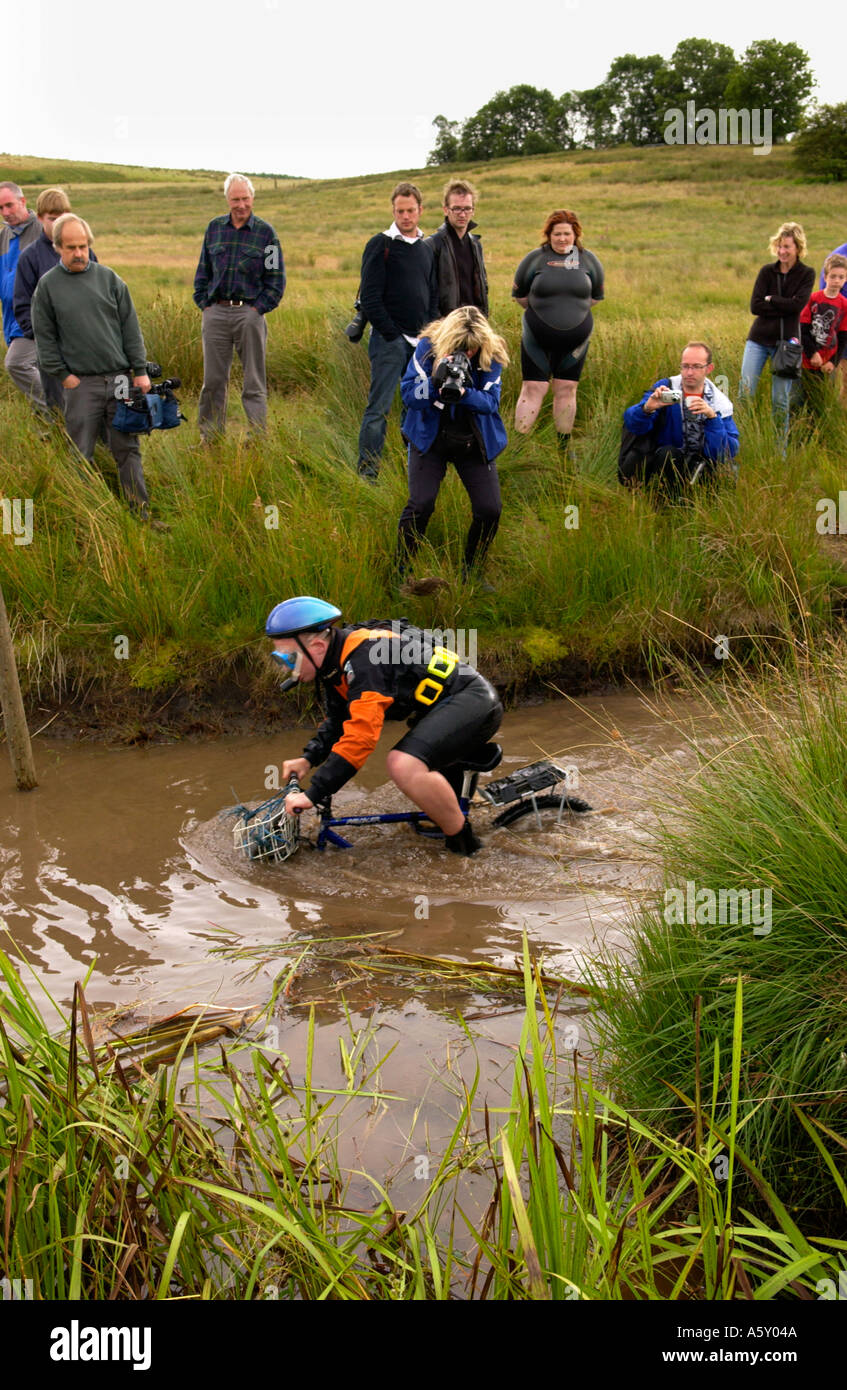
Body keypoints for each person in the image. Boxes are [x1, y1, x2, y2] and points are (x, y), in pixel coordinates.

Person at [266, 596, 503, 856]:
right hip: (440, 708)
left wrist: (313, 794)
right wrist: (308, 759)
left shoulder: (364, 662)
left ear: (319, 645)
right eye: (278, 659)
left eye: (287, 659)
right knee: (425, 804)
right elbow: (339, 720)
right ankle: (453, 814)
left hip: (473, 702)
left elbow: (360, 739)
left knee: (402, 763)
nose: (284, 668)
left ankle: (466, 846)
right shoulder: (336, 661)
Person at [31, 214, 158, 521]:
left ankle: (141, 515)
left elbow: (131, 328)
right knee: (80, 453)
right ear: (58, 247)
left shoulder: (110, 279)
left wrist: (139, 371)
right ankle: (85, 519)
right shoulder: (47, 287)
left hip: (119, 380)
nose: (79, 254)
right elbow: (44, 339)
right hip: (80, 384)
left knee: (127, 449)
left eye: (84, 246)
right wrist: (65, 377)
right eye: (71, 247)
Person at [396, 306, 508, 590]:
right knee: (420, 505)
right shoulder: (426, 348)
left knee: (490, 509)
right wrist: (436, 383)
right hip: (429, 438)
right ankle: (400, 572)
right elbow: (409, 394)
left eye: (471, 349)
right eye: (459, 348)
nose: (465, 354)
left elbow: (490, 403)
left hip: (473, 440)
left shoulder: (490, 353)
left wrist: (463, 393)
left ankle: (473, 572)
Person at [356, 182, 439, 480]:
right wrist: (391, 334)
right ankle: (368, 475)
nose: (406, 216)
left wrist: (428, 335)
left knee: (415, 407)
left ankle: (413, 473)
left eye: (411, 210)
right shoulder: (381, 244)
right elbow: (370, 296)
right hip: (389, 343)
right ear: (393, 211)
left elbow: (432, 294)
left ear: (420, 210)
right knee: (378, 410)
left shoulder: (427, 247)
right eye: (400, 211)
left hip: (420, 346)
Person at [193, 174, 285, 441]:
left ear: (252, 198)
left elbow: (276, 280)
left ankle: (257, 439)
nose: (241, 204)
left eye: (245, 198)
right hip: (216, 313)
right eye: (235, 199)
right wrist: (205, 305)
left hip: (249, 314)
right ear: (227, 200)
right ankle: (210, 440)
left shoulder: (266, 234)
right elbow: (203, 270)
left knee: (254, 382)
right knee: (212, 382)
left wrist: (257, 310)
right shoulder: (214, 229)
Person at [511, 209, 604, 454]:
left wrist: (571, 314)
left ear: (575, 235)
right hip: (536, 338)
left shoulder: (589, 260)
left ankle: (563, 452)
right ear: (548, 235)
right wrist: (545, 314)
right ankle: (517, 451)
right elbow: (520, 296)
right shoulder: (535, 259)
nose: (562, 239)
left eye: (567, 234)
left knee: (566, 389)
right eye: (557, 234)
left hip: (576, 341)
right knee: (534, 388)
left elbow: (595, 298)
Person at [13, 188, 98, 414]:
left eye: (62, 217)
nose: (58, 223)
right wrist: (43, 339)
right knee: (59, 406)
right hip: (49, 346)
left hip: (84, 343)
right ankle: (60, 441)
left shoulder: (85, 253)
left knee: (92, 403)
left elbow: (98, 295)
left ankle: (95, 447)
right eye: (52, 218)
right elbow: (21, 305)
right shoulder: (30, 257)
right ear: (40, 218)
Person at [621, 342, 740, 490]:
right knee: (668, 454)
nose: (689, 372)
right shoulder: (667, 386)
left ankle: (691, 498)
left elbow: (725, 453)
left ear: (709, 368)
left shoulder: (719, 401)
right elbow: (633, 426)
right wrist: (647, 409)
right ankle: (664, 498)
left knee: (722, 473)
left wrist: (712, 418)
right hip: (666, 460)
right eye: (685, 366)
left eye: (696, 366)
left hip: (700, 464)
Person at [739, 221, 815, 445]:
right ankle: (738, 444)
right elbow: (755, 306)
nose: (782, 251)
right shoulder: (766, 272)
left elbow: (797, 306)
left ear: (798, 248)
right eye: (780, 246)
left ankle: (778, 451)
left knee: (780, 401)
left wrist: (771, 300)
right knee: (745, 394)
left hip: (787, 345)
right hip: (758, 340)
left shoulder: (806, 274)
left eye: (787, 247)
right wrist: (784, 303)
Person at [0, 181, 43, 410]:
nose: (6, 213)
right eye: (0, 208)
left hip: (35, 319)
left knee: (17, 364)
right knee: (41, 376)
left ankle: (62, 411)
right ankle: (52, 433)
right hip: (10, 321)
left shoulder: (42, 231)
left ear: (23, 201)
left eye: (10, 205)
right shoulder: (3, 236)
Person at [425, 178, 489, 317]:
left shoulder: (475, 244)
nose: (462, 214)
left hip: (474, 322)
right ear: (446, 210)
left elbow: (482, 286)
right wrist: (438, 324)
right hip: (445, 326)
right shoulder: (432, 245)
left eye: (467, 208)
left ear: (473, 211)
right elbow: (426, 292)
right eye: (456, 208)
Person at [805, 252, 847, 404]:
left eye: (841, 277)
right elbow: (803, 328)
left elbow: (843, 337)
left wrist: (833, 362)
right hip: (809, 357)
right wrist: (812, 353)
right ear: (825, 276)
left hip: (830, 357)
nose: (836, 281)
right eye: (833, 276)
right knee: (805, 395)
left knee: (824, 396)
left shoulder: (844, 304)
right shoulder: (813, 299)